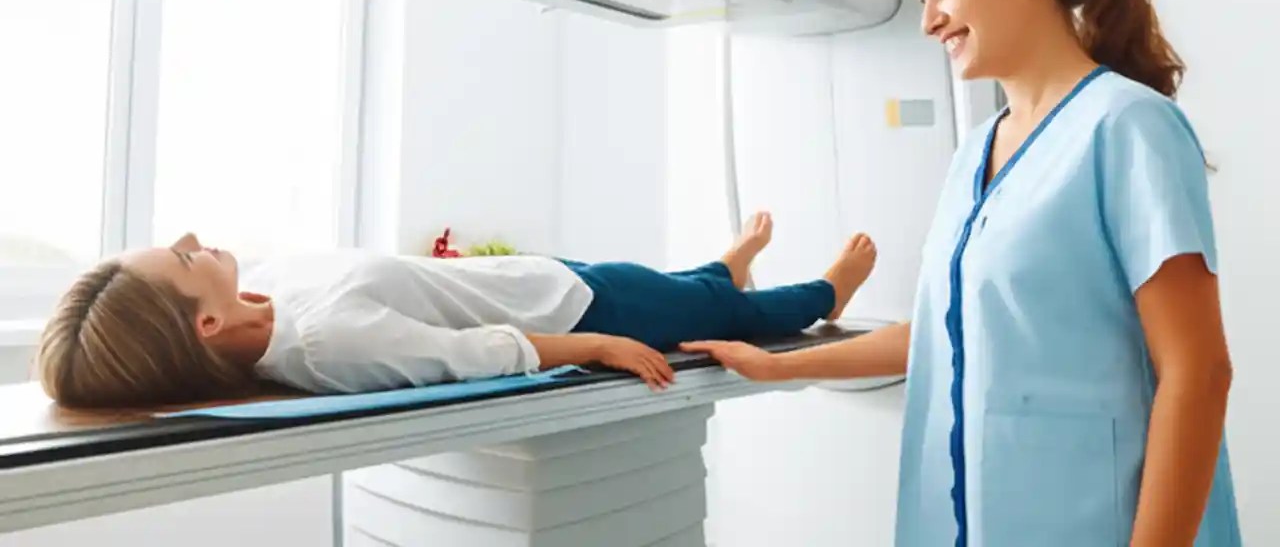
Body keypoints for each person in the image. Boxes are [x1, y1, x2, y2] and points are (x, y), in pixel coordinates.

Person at [681, 0, 1241, 546]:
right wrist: (782, 365)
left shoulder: (1128, 125)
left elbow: (1198, 371)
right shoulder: (976, 150)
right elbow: (949, 330)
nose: (929, 21)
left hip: (1098, 523)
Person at [35, 211, 878, 409]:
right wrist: (602, 345)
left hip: (539, 272)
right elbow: (480, 352)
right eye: (184, 258)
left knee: (682, 283)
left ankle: (720, 269)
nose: (190, 235)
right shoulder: (327, 344)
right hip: (576, 302)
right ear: (204, 326)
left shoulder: (263, 285)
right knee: (715, 311)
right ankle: (826, 289)